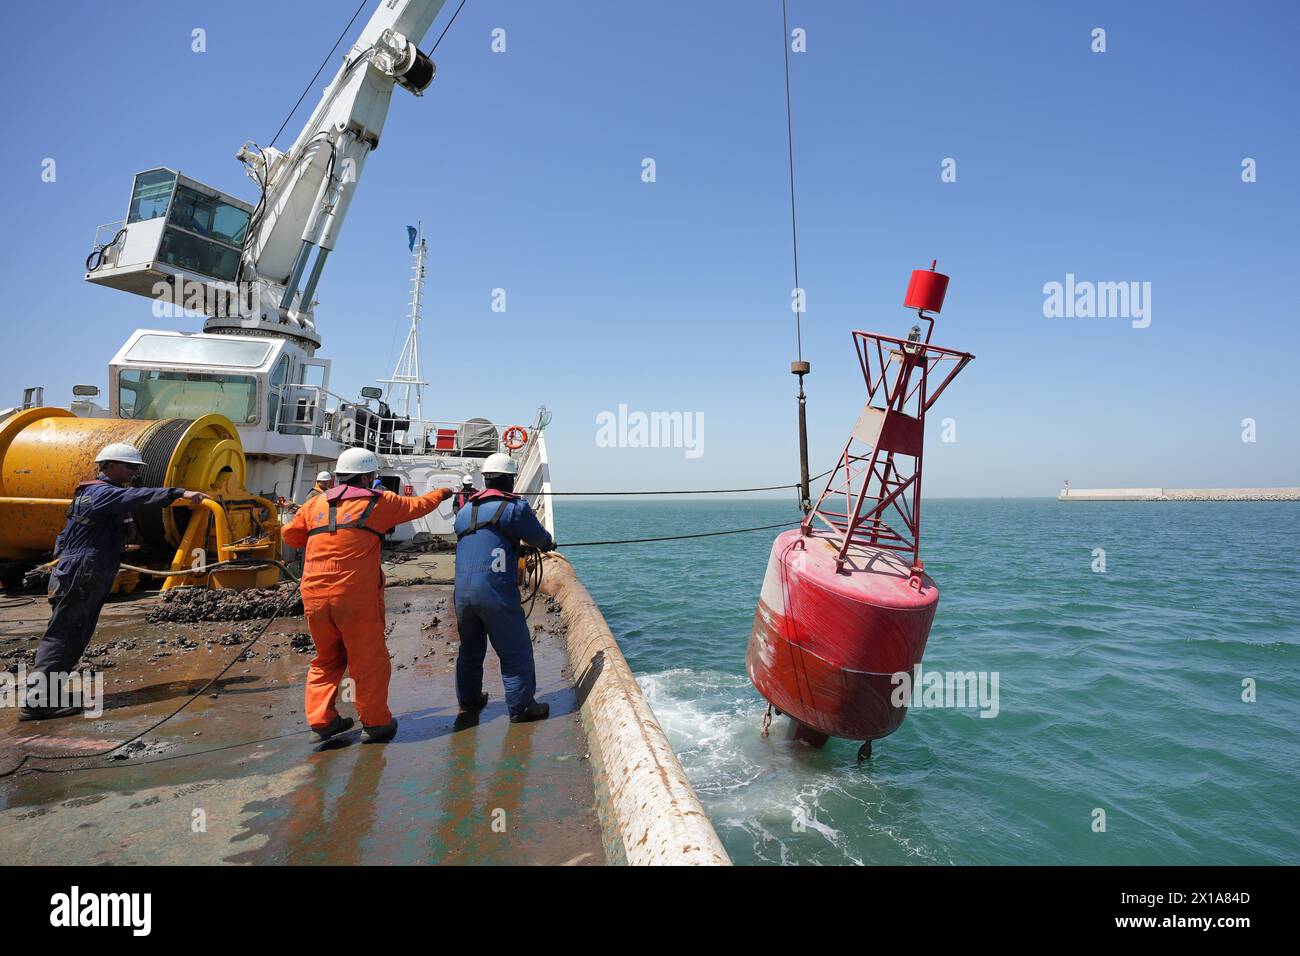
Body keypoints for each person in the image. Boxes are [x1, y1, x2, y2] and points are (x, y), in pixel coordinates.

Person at [21, 444, 212, 721]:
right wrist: (179, 493)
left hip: (81, 568)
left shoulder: (88, 493)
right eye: (130, 467)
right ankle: (37, 703)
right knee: (65, 636)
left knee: (74, 634)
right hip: (84, 570)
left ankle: (47, 695)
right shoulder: (101, 492)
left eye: (136, 469)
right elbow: (137, 497)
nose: (134, 474)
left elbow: (66, 535)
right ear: (109, 465)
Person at [281, 447, 452, 743]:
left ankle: (322, 721)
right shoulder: (380, 502)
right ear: (369, 476)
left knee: (326, 658)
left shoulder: (314, 504)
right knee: (367, 659)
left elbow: (292, 536)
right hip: (355, 594)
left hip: (314, 595)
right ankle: (375, 724)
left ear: (337, 477)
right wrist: (442, 492)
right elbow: (418, 505)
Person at [453, 452, 555, 723]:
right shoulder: (514, 508)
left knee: (470, 649)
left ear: (485, 479)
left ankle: (469, 700)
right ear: (510, 480)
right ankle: (522, 707)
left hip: (462, 593)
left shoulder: (465, 510)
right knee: (515, 648)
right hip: (494, 591)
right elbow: (538, 537)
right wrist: (546, 544)